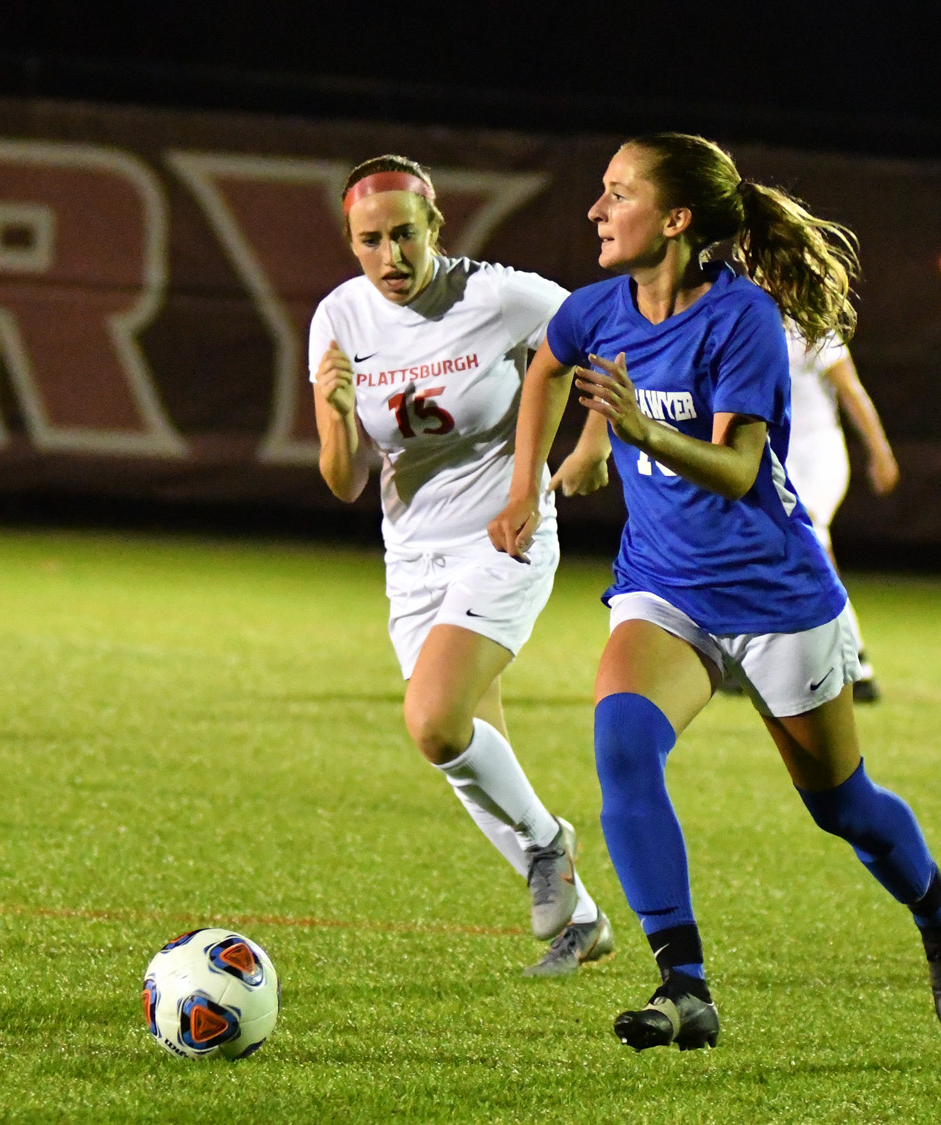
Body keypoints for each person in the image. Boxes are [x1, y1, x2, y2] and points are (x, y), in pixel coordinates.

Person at [490, 134, 941, 1049]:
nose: (596, 210)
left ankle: (938, 908)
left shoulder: (742, 318)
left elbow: (740, 467)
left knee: (841, 805)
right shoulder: (598, 309)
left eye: (617, 194)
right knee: (623, 749)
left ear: (675, 220)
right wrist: (542, 473)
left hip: (775, 593)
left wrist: (635, 427)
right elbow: (549, 367)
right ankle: (685, 985)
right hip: (665, 587)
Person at [309, 155, 615, 977]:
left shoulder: (500, 296)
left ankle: (553, 843)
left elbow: (610, 339)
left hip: (505, 537)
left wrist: (591, 442)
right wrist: (337, 418)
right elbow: (344, 482)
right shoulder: (339, 318)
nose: (390, 258)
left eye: (405, 235)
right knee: (466, 758)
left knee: (435, 721)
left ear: (435, 227)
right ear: (351, 242)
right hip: (411, 561)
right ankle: (581, 919)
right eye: (370, 241)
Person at [783, 321, 900, 701]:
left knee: (811, 546)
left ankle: (856, 662)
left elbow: (851, 390)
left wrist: (879, 451)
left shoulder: (810, 330)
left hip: (819, 457)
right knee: (767, 553)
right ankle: (751, 657)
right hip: (779, 463)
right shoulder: (746, 323)